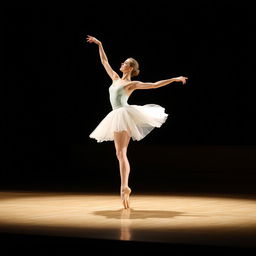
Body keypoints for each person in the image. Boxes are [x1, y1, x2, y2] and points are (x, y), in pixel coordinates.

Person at [86, 35, 188, 209]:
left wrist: (174, 79)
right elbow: (104, 61)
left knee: (121, 153)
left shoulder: (131, 84)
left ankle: (124, 186)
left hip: (122, 115)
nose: (122, 64)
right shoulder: (115, 78)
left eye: (125, 63)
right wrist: (100, 44)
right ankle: (125, 186)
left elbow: (154, 85)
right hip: (116, 114)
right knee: (120, 153)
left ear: (131, 67)